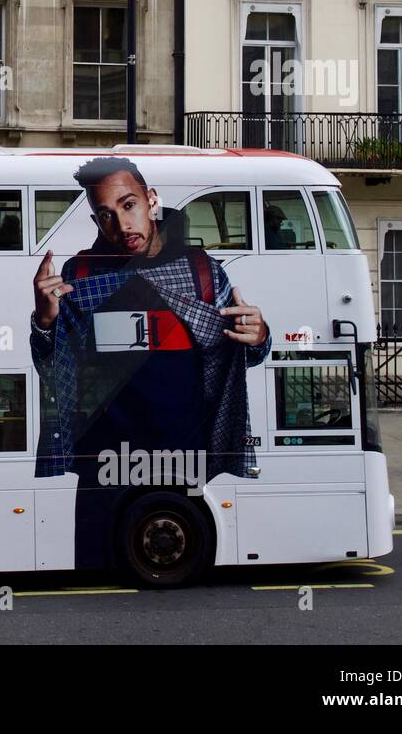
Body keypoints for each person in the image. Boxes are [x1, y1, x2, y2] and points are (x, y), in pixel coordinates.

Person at [29, 157, 271, 568]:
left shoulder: (202, 272)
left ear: (151, 199)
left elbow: (238, 349)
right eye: (106, 215)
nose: (122, 227)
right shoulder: (81, 273)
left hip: (184, 455)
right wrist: (45, 320)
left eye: (128, 205)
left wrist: (260, 335)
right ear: (95, 219)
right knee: (96, 571)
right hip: (105, 461)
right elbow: (54, 369)